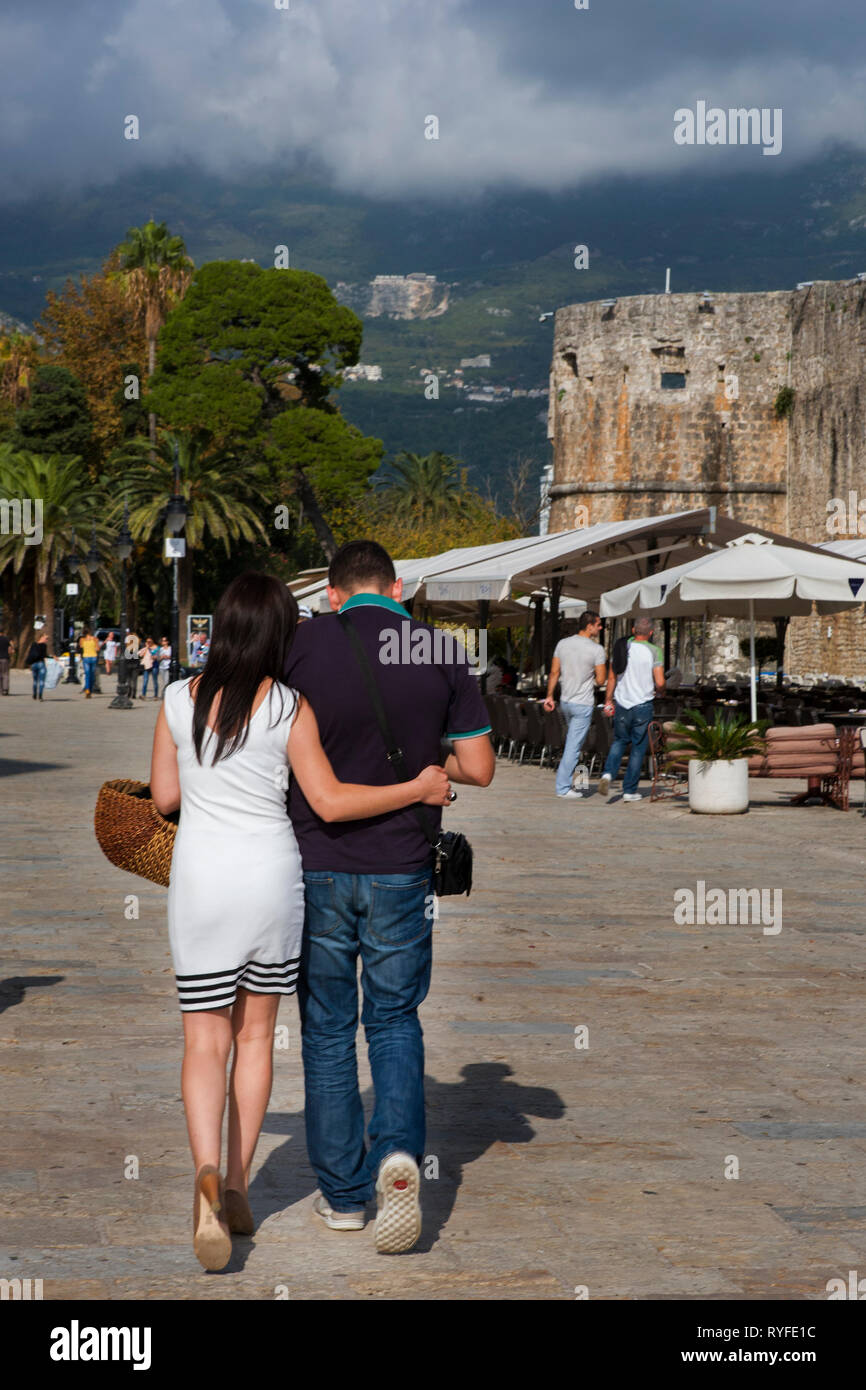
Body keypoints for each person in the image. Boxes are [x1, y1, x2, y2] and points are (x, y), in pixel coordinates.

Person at [149, 571, 451, 1271]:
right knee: (256, 1037)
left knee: (204, 1041)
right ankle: (236, 1184)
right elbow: (331, 800)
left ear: (219, 628)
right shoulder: (288, 706)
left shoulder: (174, 699)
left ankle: (202, 1178)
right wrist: (420, 785)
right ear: (282, 634)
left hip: (200, 881)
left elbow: (165, 797)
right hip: (270, 881)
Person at [285, 539, 495, 1253]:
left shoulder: (302, 645)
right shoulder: (439, 649)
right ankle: (399, 1154)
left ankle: (343, 1198)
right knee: (395, 1018)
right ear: (398, 589)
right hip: (404, 864)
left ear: (334, 594)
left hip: (315, 860)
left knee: (325, 1028)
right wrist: (427, 763)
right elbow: (481, 766)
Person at [598, 615, 665, 802]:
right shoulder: (655, 651)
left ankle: (608, 774)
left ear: (634, 630)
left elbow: (611, 678)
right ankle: (629, 790)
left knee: (619, 740)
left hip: (622, 702)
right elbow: (660, 682)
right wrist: (662, 691)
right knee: (638, 748)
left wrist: (608, 700)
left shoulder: (621, 647)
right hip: (643, 705)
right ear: (651, 633)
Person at [544, 611, 607, 799]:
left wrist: (549, 696)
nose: (600, 627)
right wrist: (592, 678)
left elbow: (554, 673)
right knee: (573, 746)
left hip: (565, 701)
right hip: (583, 702)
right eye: (598, 624)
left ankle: (570, 781)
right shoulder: (596, 649)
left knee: (571, 743)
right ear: (589, 626)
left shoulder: (562, 644)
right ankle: (563, 788)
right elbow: (602, 679)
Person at [26, 631, 50, 700]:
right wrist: (51, 657)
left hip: (34, 664)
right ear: (41, 637)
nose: (46, 640)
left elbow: (30, 654)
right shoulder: (44, 646)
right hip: (41, 664)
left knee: (35, 681)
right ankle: (40, 695)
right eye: (46, 638)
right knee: (41, 681)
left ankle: (34, 694)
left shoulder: (33, 644)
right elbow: (45, 655)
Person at [79, 629, 101, 698]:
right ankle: (90, 691)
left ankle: (87, 690)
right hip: (93, 657)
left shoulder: (82, 640)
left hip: (86, 657)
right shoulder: (95, 639)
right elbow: (98, 649)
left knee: (87, 675)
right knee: (92, 675)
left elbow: (81, 647)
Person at [125, 630, 140, 699]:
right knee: (135, 680)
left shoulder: (127, 648)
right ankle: (134, 694)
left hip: (128, 664)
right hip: (136, 664)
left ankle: (129, 692)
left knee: (129, 680)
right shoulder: (137, 647)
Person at [0, 626, 15, 695]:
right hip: (5, 658)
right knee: (5, 674)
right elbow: (11, 648)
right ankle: (5, 690)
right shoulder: (6, 639)